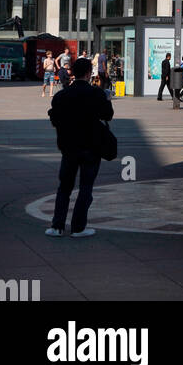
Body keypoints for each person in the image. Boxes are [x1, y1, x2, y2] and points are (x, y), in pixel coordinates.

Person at [45, 57, 113, 237]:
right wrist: (107, 98)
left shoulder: (62, 95)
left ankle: (57, 226)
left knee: (64, 188)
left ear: (73, 73)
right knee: (86, 188)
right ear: (89, 74)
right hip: (91, 147)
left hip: (69, 148)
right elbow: (108, 115)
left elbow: (54, 118)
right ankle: (78, 227)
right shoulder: (97, 93)